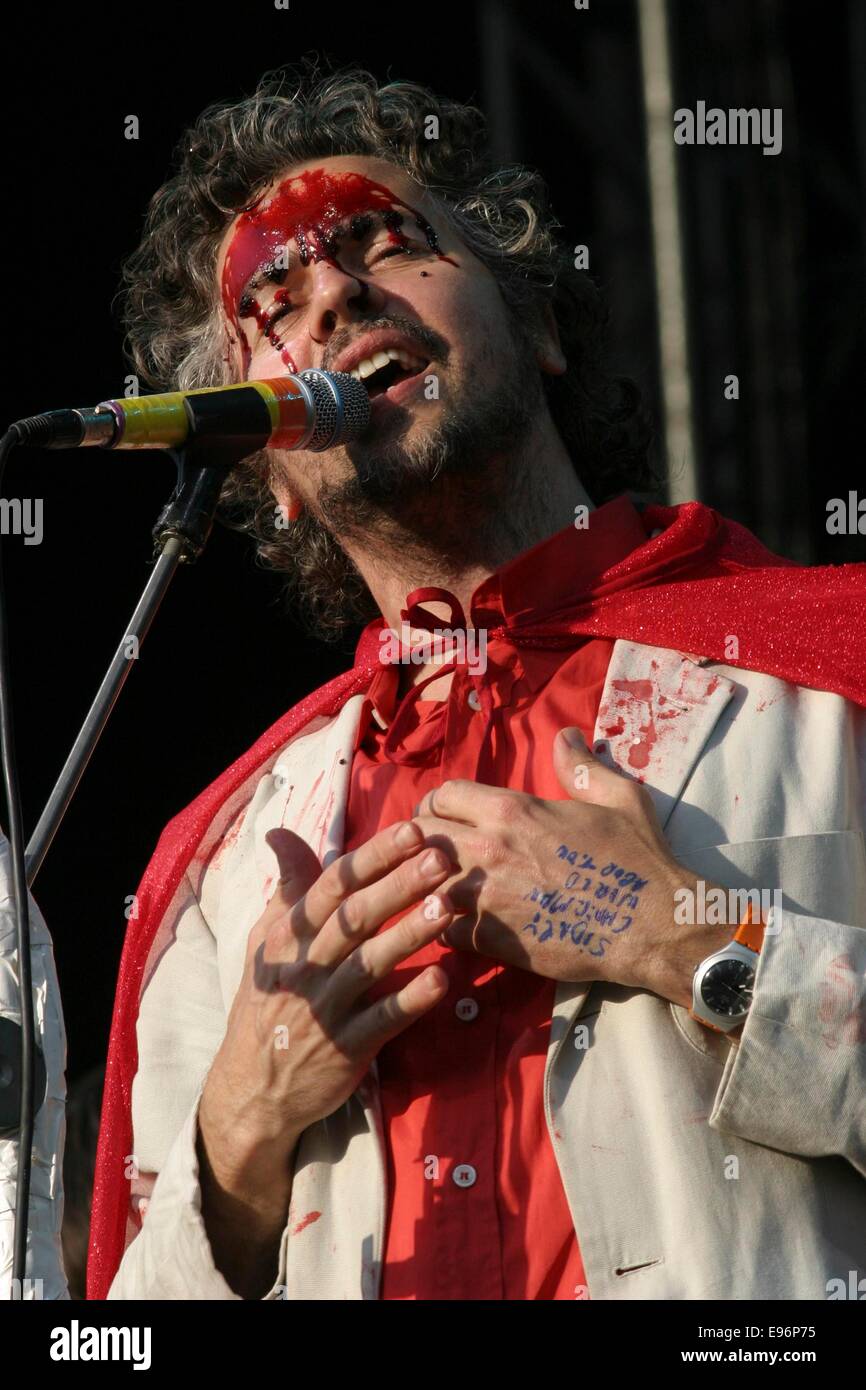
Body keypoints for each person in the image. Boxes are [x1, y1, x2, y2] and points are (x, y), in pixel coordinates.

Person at [88, 61, 866, 1301]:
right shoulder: (223, 865)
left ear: (539, 324)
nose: (334, 291)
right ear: (269, 469)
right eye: (274, 299)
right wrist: (234, 1142)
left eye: (380, 241)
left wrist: (690, 942)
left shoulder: (836, 684)